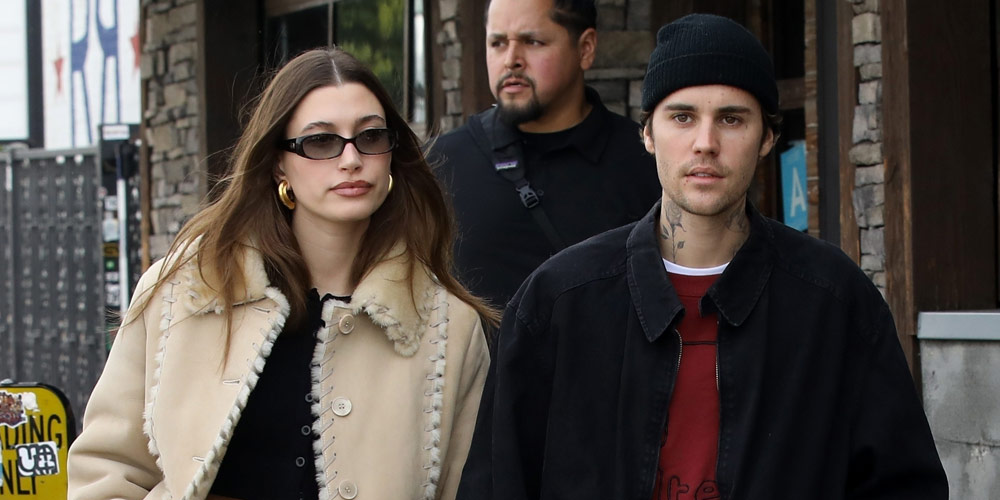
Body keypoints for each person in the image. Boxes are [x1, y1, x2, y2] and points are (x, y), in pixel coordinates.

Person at [456, 14, 948, 500]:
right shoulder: (558, 302)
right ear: (648, 134)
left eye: (732, 119)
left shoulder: (833, 300)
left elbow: (904, 484)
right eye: (682, 117)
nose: (706, 143)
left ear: (767, 138)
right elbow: (498, 482)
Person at [67, 47, 495, 500]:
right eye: (321, 141)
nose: (351, 159)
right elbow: (106, 472)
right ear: (278, 163)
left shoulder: (449, 327)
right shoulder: (184, 290)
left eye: (370, 137)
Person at [431, 0, 660, 309]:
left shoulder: (647, 163)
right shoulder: (441, 165)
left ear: (586, 48)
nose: (511, 60)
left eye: (533, 42)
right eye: (497, 43)